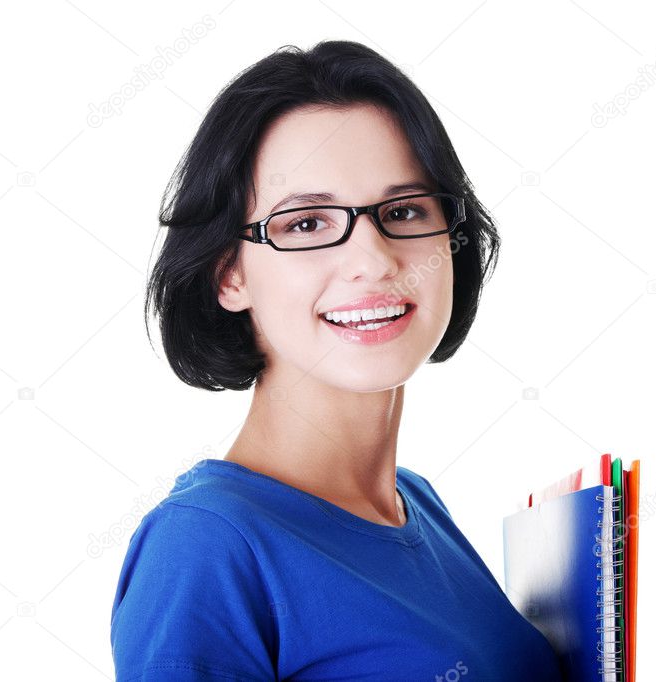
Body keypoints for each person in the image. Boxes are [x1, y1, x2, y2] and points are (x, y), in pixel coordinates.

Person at [110, 40, 562, 681]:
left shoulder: (417, 504)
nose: (374, 259)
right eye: (305, 224)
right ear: (228, 273)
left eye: (404, 211)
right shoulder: (206, 548)